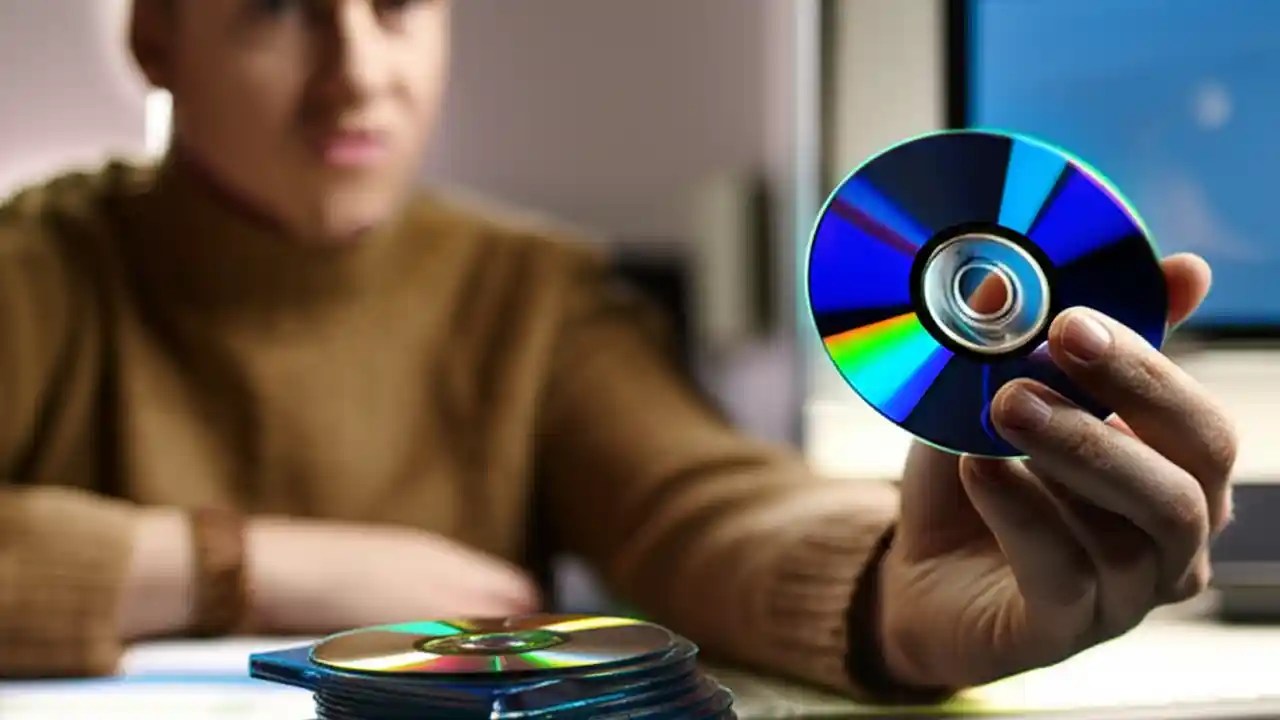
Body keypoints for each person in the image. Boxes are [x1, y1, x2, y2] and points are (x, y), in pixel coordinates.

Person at [0, 0, 1237, 705]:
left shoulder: (533, 295)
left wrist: (886, 600)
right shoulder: (36, 269)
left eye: (395, 7)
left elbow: (697, 502)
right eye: (276, 7)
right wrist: (262, 567)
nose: (356, 75)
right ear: (156, 39)